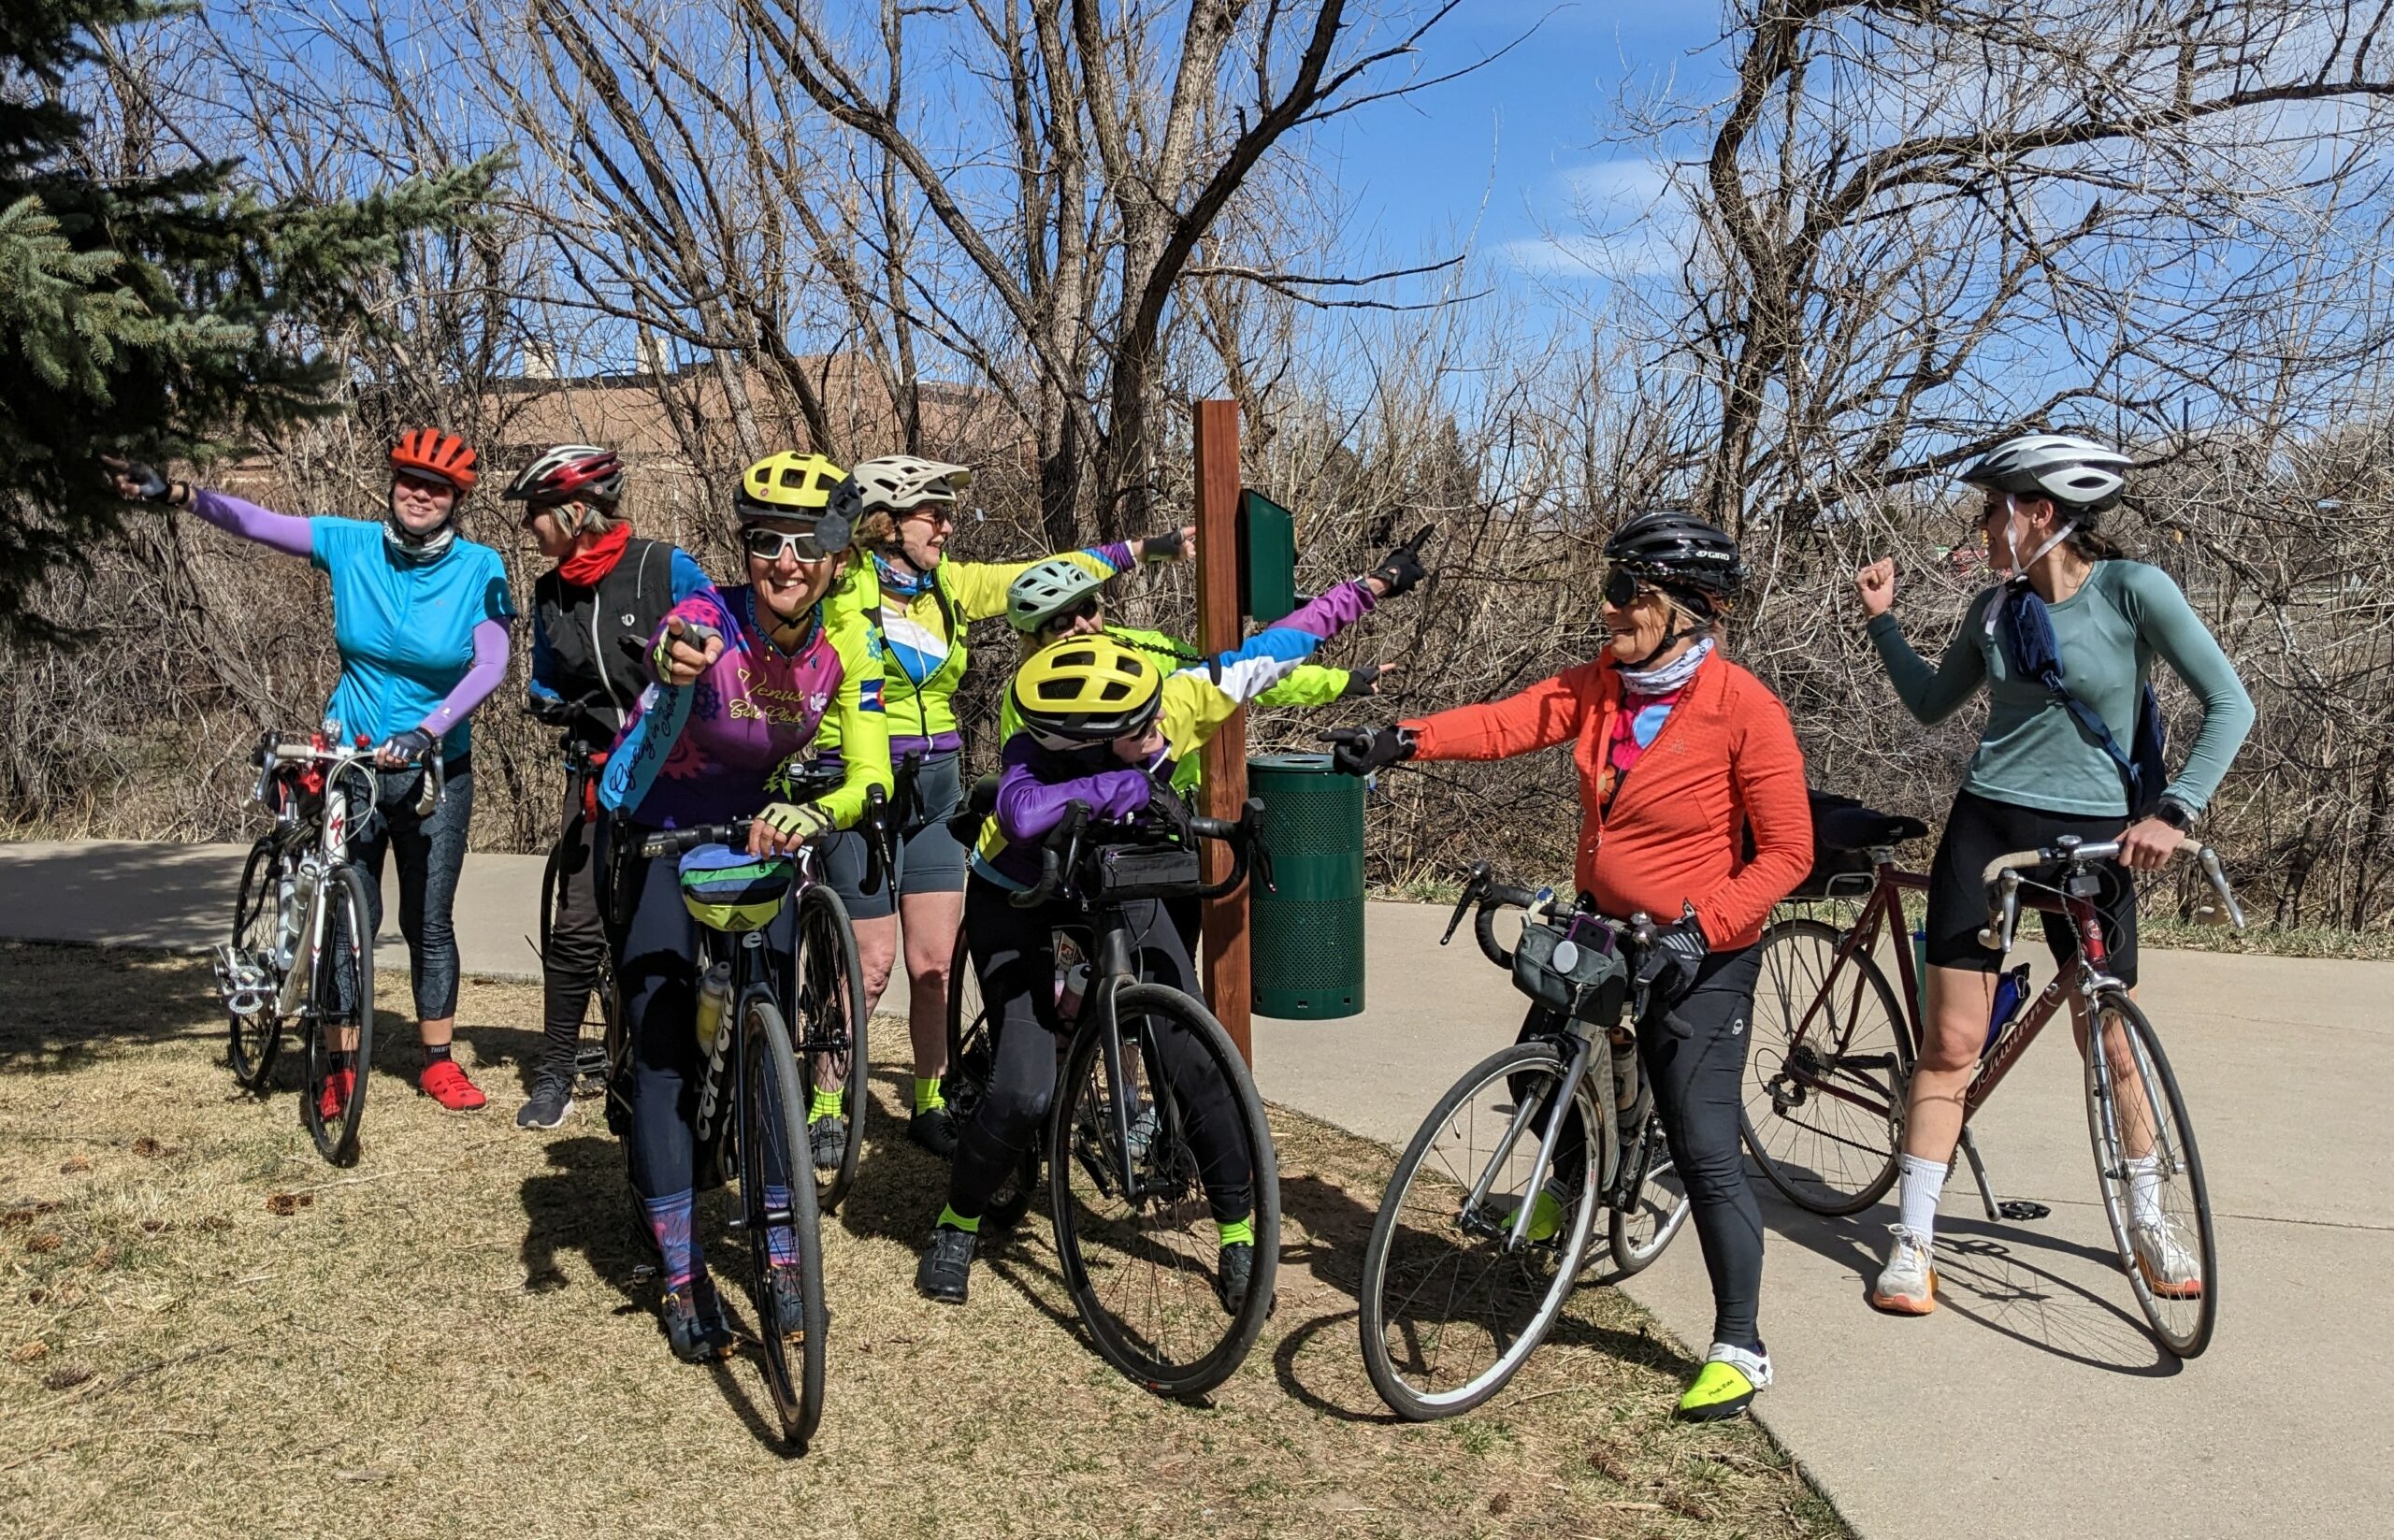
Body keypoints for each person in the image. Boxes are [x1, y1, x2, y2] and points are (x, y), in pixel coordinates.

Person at [1326, 511, 1810, 1423]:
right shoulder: (1601, 687)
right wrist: (1404, 738)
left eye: (1629, 592)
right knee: (1542, 1082)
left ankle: (1739, 1345)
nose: (1609, 607)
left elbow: (1786, 854)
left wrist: (1699, 933)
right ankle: (1569, 1182)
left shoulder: (1743, 707)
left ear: (1688, 611)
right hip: (1600, 927)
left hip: (1699, 954)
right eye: (1612, 587)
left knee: (1704, 1148)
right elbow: (1510, 721)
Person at [917, 536, 1429, 1309]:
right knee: (1023, 1088)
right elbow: (1022, 809)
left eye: (1085, 612)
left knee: (1187, 1053)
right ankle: (957, 1220)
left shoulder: (1170, 687)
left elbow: (1278, 648)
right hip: (1019, 887)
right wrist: (1128, 781)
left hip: (1123, 877)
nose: (1076, 632)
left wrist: (1371, 587)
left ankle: (1233, 1229)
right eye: (1052, 627)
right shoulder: (1031, 704)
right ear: (1029, 646)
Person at [1852, 432, 2254, 1316]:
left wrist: (2174, 809)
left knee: (2109, 1035)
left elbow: (2232, 703)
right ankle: (1913, 1241)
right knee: (1952, 1043)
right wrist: (1882, 619)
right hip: (1988, 829)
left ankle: (2147, 1221)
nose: (1986, 526)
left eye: (1994, 508)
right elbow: (1929, 704)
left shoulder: (2131, 590)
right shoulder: (1993, 612)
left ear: (2040, 512)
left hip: (2099, 840)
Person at [107, 432, 512, 1115]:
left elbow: (492, 664)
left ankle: (439, 1062)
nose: (420, 494)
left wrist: (427, 729)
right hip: (350, 758)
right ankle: (340, 1062)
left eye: (436, 487)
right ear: (392, 482)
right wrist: (178, 493)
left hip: (434, 768)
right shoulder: (352, 545)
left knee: (428, 920)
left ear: (457, 500)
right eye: (410, 479)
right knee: (351, 914)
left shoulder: (480, 568)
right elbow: (262, 523)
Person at [812, 453, 1195, 1160]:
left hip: (934, 778)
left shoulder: (948, 587)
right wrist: (838, 519)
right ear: (890, 523)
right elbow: (812, 559)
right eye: (935, 513)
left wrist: (1148, 549)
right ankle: (828, 1097)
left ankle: (929, 1098)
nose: (949, 526)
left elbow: (1044, 571)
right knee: (870, 964)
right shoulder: (847, 582)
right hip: (856, 771)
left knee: (931, 962)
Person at [597, 451, 893, 1363]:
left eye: (809, 542)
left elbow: (865, 774)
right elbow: (671, 644)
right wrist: (675, 665)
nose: (786, 559)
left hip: (756, 839)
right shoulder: (706, 616)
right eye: (765, 540)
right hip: (653, 831)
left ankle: (775, 1256)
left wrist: (813, 808)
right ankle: (682, 1280)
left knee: (767, 1054)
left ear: (840, 555)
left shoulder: (848, 647)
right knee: (667, 1061)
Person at [510, 444, 708, 1130]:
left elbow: (719, 631)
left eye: (537, 512)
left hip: (681, 772)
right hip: (597, 775)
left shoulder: (662, 565)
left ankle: (688, 1059)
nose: (530, 527)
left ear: (575, 510)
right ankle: (556, 1072)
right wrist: (543, 699)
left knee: (685, 918)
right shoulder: (549, 592)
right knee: (579, 926)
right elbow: (544, 676)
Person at [1000, 555, 1404, 794]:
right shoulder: (1026, 695)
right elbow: (1022, 782)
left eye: (1087, 609)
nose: (1082, 626)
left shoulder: (1145, 651)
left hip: (1165, 813)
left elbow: (1240, 674)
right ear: (1032, 640)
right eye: (1060, 623)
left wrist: (1340, 682)